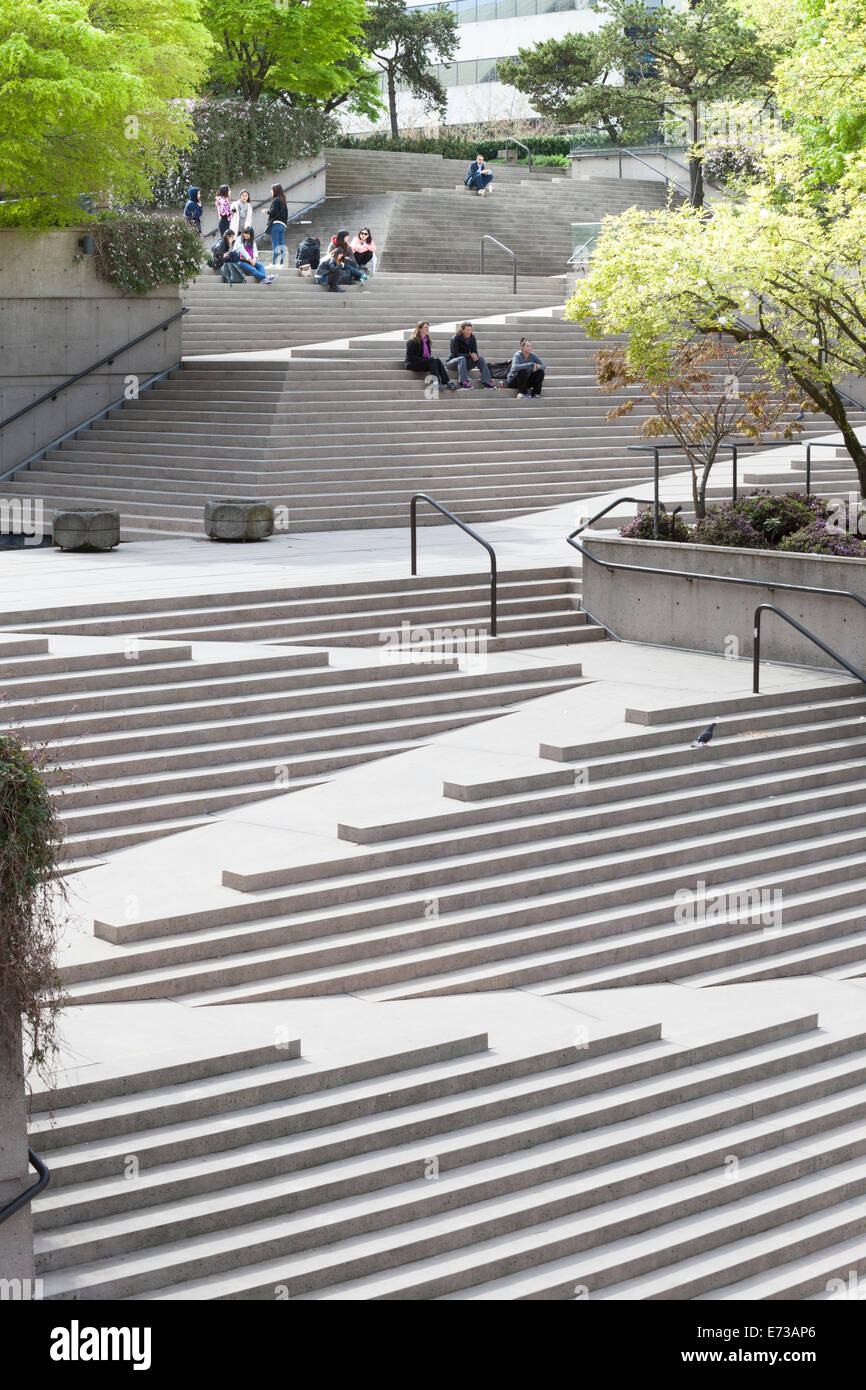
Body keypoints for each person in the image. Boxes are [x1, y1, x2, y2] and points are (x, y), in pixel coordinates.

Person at [404, 322, 458, 390]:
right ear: (420, 329)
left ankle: (447, 381)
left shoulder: (427, 341)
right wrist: (425, 360)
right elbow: (410, 357)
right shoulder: (412, 341)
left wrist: (427, 360)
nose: (427, 329)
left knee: (437, 360)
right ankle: (436, 383)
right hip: (412, 363)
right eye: (425, 327)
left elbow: (428, 356)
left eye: (428, 327)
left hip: (422, 362)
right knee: (432, 361)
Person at [447, 321, 494, 389]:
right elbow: (455, 354)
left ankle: (487, 382)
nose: (469, 332)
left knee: (480, 359)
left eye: (470, 330)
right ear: (462, 330)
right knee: (461, 358)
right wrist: (470, 355)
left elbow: (474, 351)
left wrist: (475, 355)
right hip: (452, 363)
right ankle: (464, 383)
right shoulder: (455, 338)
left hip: (465, 363)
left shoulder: (472, 338)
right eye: (467, 330)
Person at [266, 184, 288, 266]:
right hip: (283, 225)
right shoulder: (283, 200)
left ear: (275, 191)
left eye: (272, 190)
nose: (271, 191)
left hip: (276, 224)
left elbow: (273, 212)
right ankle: (281, 263)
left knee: (275, 244)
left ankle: (274, 263)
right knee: (281, 244)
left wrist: (267, 212)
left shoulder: (276, 200)